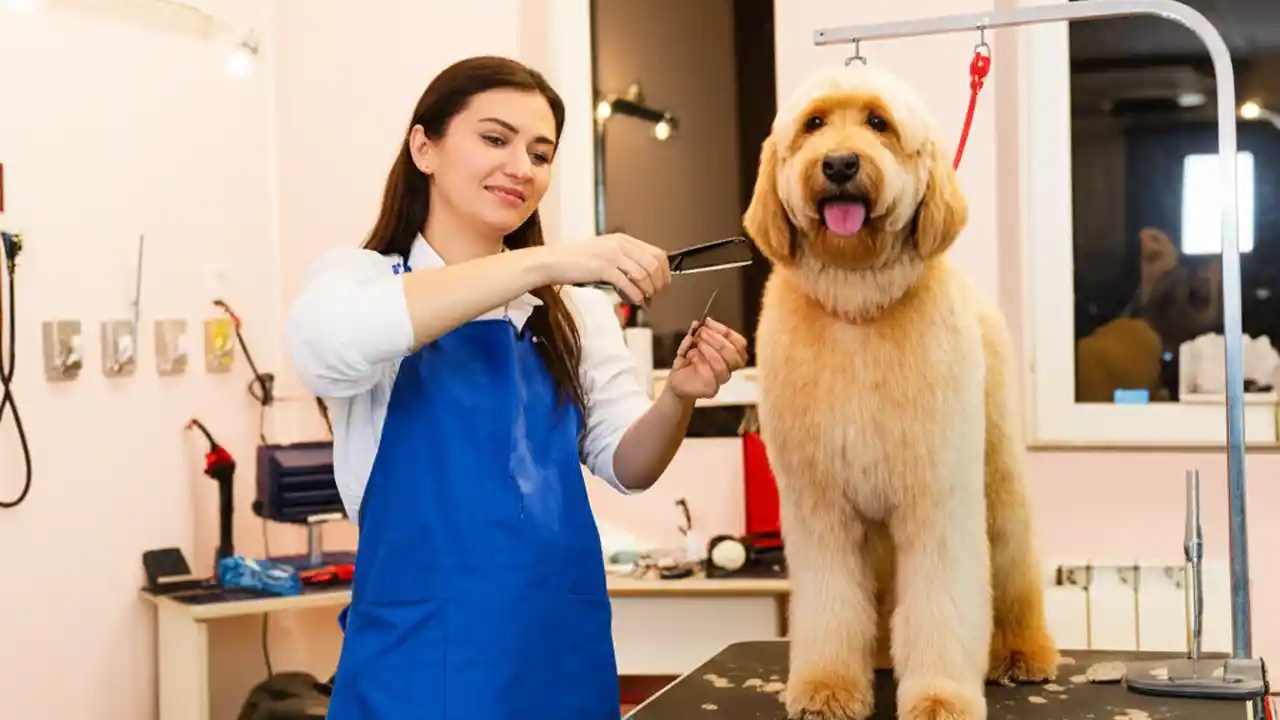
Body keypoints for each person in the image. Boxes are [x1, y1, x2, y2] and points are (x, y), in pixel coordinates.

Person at [285, 55, 748, 719]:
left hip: (555, 653)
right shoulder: (358, 283)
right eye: (495, 140)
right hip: (416, 661)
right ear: (425, 147)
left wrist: (679, 396)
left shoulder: (572, 310)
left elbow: (628, 465)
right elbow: (327, 351)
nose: (523, 168)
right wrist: (551, 261)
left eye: (540, 152)